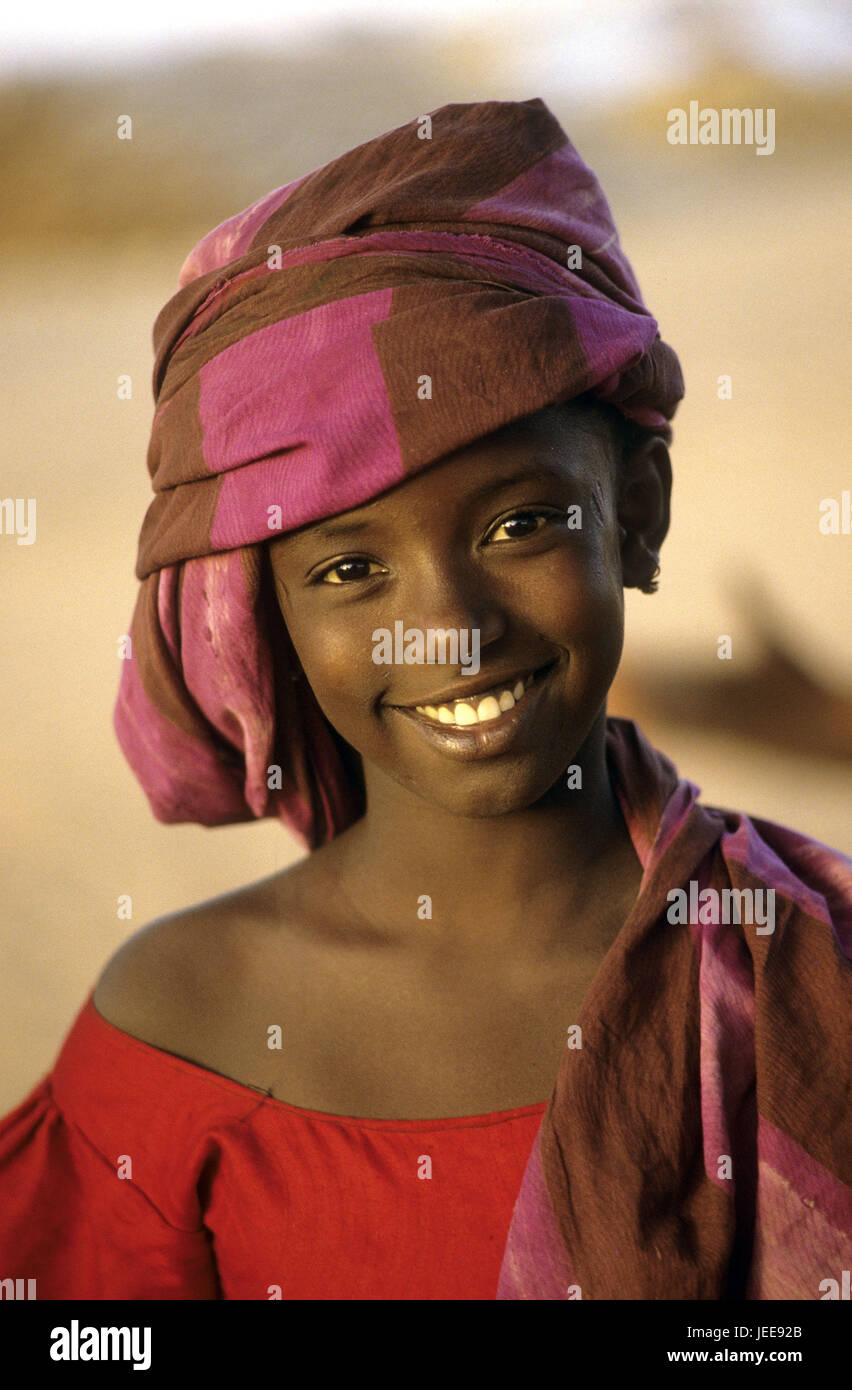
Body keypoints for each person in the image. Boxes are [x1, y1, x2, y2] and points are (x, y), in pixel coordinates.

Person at [0, 99, 848, 1302]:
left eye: (521, 524)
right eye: (348, 569)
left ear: (640, 511)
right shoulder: (179, 1027)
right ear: (259, 613)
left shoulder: (816, 973)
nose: (447, 626)